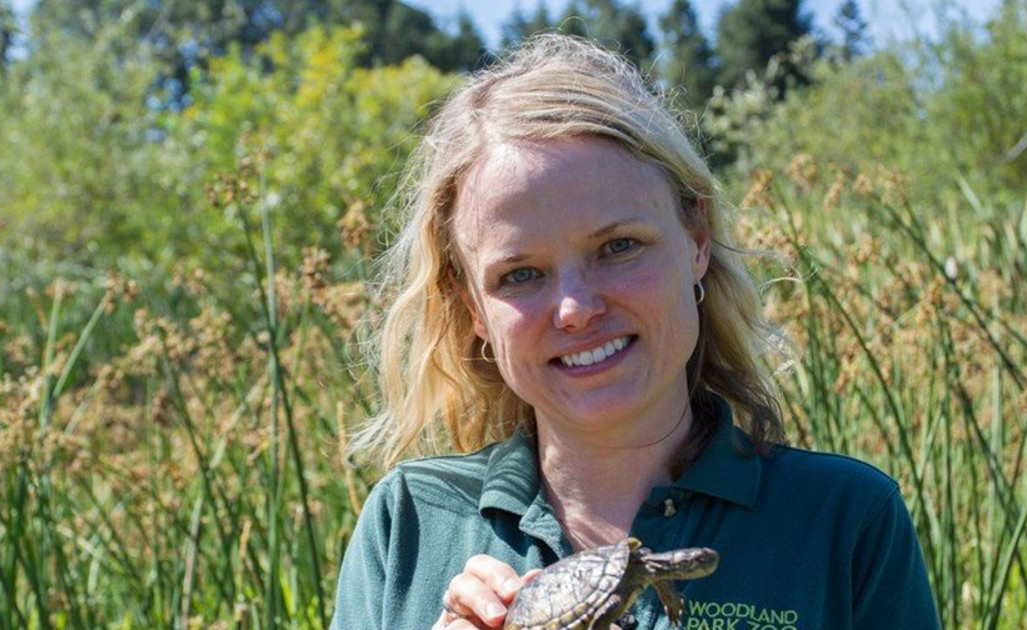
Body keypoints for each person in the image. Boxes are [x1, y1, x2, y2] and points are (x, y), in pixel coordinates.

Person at [330, 34, 940, 630]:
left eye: (618, 246)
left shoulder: (843, 518)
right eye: (520, 275)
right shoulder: (410, 521)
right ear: (473, 309)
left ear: (696, 239)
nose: (574, 308)